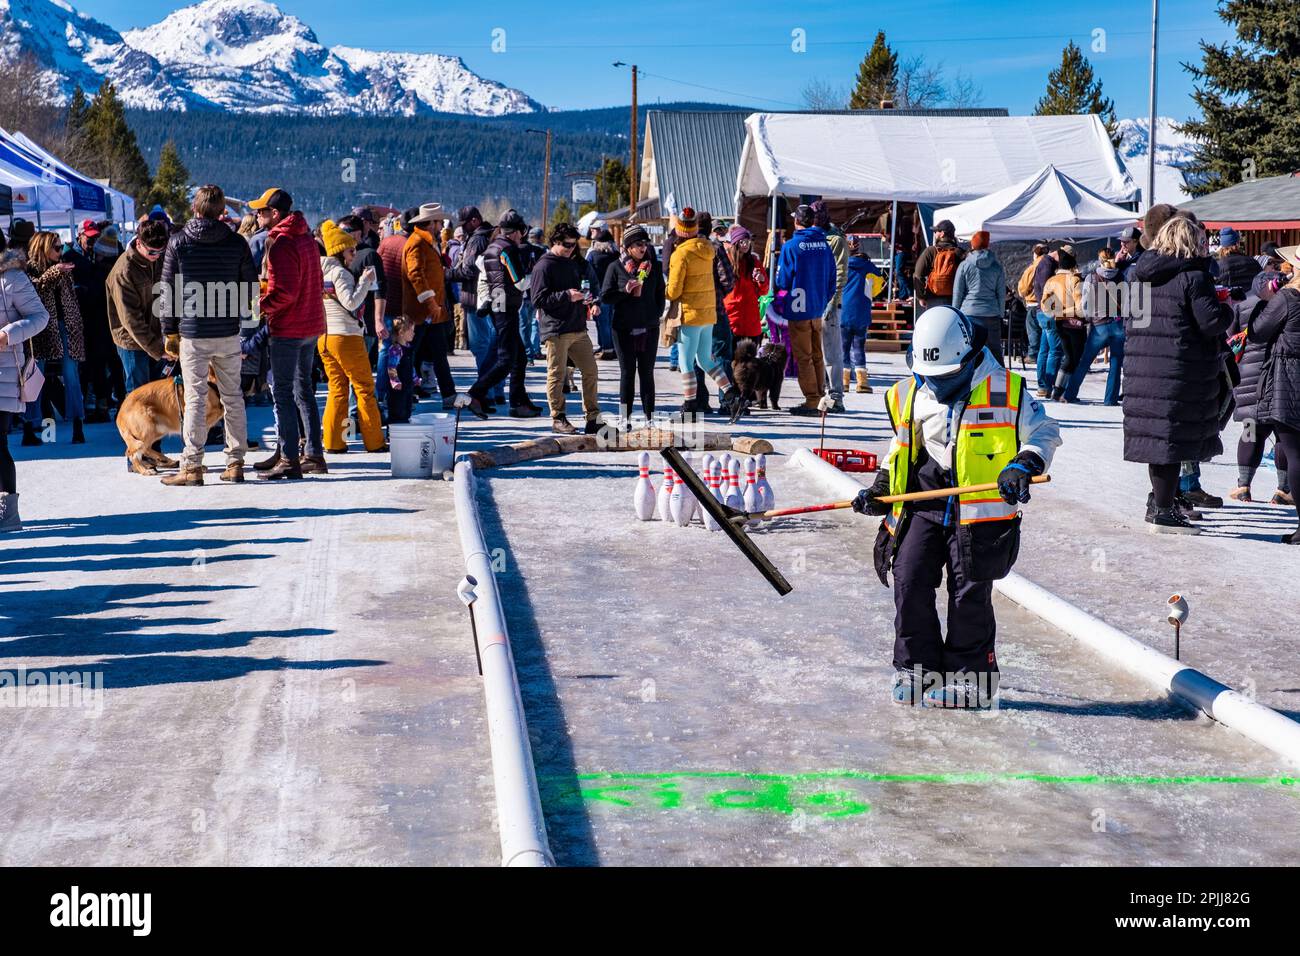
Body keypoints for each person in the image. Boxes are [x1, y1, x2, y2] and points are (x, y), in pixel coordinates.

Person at [853, 306, 1061, 708]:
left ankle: (973, 679)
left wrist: (1024, 463)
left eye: (945, 377)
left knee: (969, 594)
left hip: (978, 515)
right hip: (924, 503)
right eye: (929, 376)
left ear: (968, 360)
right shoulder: (908, 392)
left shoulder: (1006, 389)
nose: (935, 385)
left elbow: (1045, 431)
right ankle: (918, 668)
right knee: (909, 579)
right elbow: (901, 447)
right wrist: (880, 487)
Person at [1124, 215, 1233, 533]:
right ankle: (1163, 511)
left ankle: (1161, 503)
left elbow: (1136, 321)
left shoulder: (1139, 275)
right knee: (1171, 441)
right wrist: (1225, 307)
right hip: (1177, 368)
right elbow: (1211, 322)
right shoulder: (1194, 278)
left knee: (1158, 440)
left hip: (1143, 369)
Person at [159, 184, 256, 485]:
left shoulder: (178, 242)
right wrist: (245, 324)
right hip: (227, 331)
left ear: (195, 209)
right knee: (232, 397)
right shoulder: (237, 243)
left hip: (192, 332)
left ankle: (192, 465)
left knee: (196, 398)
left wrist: (169, 331)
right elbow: (250, 290)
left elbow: (168, 293)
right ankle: (235, 462)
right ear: (222, 212)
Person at [250, 186, 326, 481]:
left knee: (281, 392)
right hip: (309, 324)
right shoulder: (306, 237)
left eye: (261, 210)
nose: (257, 215)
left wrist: (260, 305)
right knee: (303, 389)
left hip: (289, 327)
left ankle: (289, 458)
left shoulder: (280, 243)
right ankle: (312, 454)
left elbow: (285, 292)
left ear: (275, 214)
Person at [666, 209, 743, 421]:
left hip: (690, 314)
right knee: (705, 361)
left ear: (681, 231)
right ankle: (732, 394)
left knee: (686, 363)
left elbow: (673, 291)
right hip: (709, 313)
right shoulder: (709, 249)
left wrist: (662, 291)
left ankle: (690, 405)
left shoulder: (680, 254)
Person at [317, 220, 386, 454]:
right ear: (339, 251)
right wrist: (365, 282)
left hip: (325, 337)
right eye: (350, 250)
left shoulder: (319, 270)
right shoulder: (341, 273)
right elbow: (351, 302)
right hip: (346, 336)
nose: (354, 254)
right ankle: (375, 441)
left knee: (337, 389)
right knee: (364, 387)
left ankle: (334, 442)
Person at [1246, 250, 1300, 543]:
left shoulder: (1287, 299)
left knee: (1295, 452)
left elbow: (1256, 332)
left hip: (1290, 382)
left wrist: (1264, 299)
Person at [465, 209, 540, 419]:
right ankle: (475, 394)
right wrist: (537, 274)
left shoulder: (492, 247)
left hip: (498, 304)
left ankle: (519, 401)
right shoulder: (507, 250)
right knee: (506, 360)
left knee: (520, 358)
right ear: (517, 231)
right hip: (506, 307)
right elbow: (521, 282)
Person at [532, 222, 603, 434]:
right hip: (556, 329)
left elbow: (585, 286)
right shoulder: (544, 266)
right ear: (555, 242)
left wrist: (590, 300)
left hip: (578, 327)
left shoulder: (573, 262)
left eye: (574, 245)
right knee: (557, 374)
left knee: (590, 371)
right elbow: (538, 299)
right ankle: (558, 417)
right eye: (567, 244)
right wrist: (566, 296)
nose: (571, 248)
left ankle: (593, 418)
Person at [1228, 270, 1291, 504]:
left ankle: (1243, 486)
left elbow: (1231, 337)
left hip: (1249, 378)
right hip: (1280, 376)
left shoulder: (1243, 305)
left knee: (1250, 430)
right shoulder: (1289, 301)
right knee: (1283, 434)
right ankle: (1283, 490)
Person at [0, 245, 50, 530]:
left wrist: (8, 334)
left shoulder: (12, 279)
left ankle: (8, 513)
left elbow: (39, 317)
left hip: (4, 372)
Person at [21, 232, 86, 445]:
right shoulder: (28, 269)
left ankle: (78, 423)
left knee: (71, 374)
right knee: (34, 376)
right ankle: (29, 426)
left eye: (61, 247)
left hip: (65, 326)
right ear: (43, 248)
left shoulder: (64, 269)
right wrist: (53, 273)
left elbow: (71, 300)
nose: (60, 252)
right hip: (40, 330)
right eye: (56, 248)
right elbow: (36, 289)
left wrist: (77, 325)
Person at [774, 204, 836, 416]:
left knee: (804, 357)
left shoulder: (791, 246)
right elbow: (832, 278)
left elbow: (782, 281)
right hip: (818, 308)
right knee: (817, 354)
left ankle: (812, 400)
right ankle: (819, 396)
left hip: (799, 309)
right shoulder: (824, 245)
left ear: (796, 221)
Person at [601, 224, 665, 424]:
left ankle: (649, 418)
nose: (643, 248)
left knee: (647, 373)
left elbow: (660, 295)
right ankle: (624, 417)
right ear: (628, 247)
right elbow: (606, 297)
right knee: (627, 373)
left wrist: (655, 315)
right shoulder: (615, 267)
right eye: (638, 244)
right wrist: (624, 292)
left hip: (649, 328)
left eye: (645, 244)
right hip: (623, 329)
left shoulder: (652, 268)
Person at [400, 203, 458, 407]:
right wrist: (430, 302)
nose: (442, 224)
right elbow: (415, 274)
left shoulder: (428, 242)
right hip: (420, 312)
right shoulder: (416, 243)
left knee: (438, 354)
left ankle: (449, 395)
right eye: (439, 221)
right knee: (409, 354)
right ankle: (403, 394)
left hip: (432, 312)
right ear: (431, 223)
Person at [108, 220, 169, 396]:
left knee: (157, 394)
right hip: (132, 340)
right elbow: (130, 318)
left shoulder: (159, 259)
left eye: (161, 251)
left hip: (156, 335)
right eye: (152, 252)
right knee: (139, 395)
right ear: (138, 243)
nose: (156, 255)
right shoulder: (124, 271)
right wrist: (157, 349)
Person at [445, 206, 500, 396]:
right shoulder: (492, 236)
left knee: (481, 346)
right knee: (493, 347)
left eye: (465, 223)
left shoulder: (477, 239)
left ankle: (486, 391)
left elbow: (468, 270)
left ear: (475, 221)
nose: (464, 228)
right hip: (493, 299)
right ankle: (496, 390)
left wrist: (447, 274)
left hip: (476, 299)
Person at [1062, 247, 1126, 406]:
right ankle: (1110, 399)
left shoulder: (1092, 277)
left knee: (1085, 362)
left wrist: (1090, 319)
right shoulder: (1121, 277)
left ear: (1100, 260)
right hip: (1117, 324)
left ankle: (1070, 394)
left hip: (1098, 326)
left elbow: (1085, 304)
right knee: (1116, 364)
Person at [812, 201, 848, 412]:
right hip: (813, 302)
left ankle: (836, 396)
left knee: (832, 353)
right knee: (816, 351)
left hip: (830, 304)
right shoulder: (814, 239)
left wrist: (833, 302)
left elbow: (841, 273)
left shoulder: (835, 240)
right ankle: (821, 393)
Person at [951, 230, 1007, 364]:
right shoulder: (996, 266)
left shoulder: (964, 265)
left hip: (969, 313)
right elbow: (1001, 293)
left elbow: (958, 292)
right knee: (994, 350)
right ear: (987, 245)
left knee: (971, 350)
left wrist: (955, 312)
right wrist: (1000, 312)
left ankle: (971, 379)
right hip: (991, 313)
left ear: (973, 245)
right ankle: (1000, 379)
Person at [1039, 246, 1085, 401]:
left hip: (1059, 324)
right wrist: (1064, 312)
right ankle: (1062, 392)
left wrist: (1057, 313)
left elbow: (1045, 307)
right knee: (1073, 359)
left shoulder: (1051, 280)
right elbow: (1080, 308)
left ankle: (1058, 391)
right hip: (1075, 324)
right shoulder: (1075, 279)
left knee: (1068, 358)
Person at [841, 235, 882, 393]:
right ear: (859, 247)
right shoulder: (869, 266)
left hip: (843, 312)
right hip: (862, 312)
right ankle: (862, 383)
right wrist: (868, 294)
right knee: (859, 347)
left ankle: (843, 382)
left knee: (843, 348)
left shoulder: (840, 265)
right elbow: (878, 286)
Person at [722, 225, 768, 355]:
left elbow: (764, 291)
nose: (745, 245)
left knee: (750, 362)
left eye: (747, 241)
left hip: (751, 320)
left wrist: (761, 280)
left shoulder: (754, 262)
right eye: (742, 241)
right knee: (731, 361)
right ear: (735, 243)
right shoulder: (726, 261)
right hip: (731, 318)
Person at [913, 219, 966, 309]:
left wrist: (921, 297)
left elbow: (917, 275)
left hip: (933, 298)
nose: (934, 234)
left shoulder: (931, 251)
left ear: (942, 234)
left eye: (936, 231)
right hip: (954, 299)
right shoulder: (960, 253)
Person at [586, 227, 620, 360]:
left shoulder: (593, 255)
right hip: (615, 292)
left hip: (599, 292)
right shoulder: (616, 256)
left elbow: (586, 273)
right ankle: (611, 346)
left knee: (602, 321)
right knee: (612, 321)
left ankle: (607, 348)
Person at [381, 317, 419, 424]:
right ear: (401, 333)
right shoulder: (396, 349)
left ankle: (404, 432)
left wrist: (415, 377)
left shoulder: (408, 347)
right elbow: (391, 367)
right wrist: (395, 381)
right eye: (411, 330)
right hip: (397, 388)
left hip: (407, 385)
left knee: (407, 409)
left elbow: (411, 366)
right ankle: (392, 434)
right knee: (397, 411)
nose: (414, 333)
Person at [1016, 242, 1048, 370]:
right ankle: (1044, 354)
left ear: (1035, 253)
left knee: (1033, 331)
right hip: (1048, 304)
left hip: (1033, 304)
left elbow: (1022, 289)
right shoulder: (1052, 266)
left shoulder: (1033, 268)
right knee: (1046, 331)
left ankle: (1033, 355)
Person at [519, 227, 546, 360]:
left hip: (522, 291)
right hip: (536, 291)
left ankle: (528, 352)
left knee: (524, 324)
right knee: (535, 322)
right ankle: (534, 350)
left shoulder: (520, 249)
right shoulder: (542, 251)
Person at [1215, 227, 1262, 292]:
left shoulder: (1218, 265)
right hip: (1253, 300)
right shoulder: (1253, 262)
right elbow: (1261, 282)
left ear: (1222, 246)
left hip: (1229, 300)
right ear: (1238, 244)